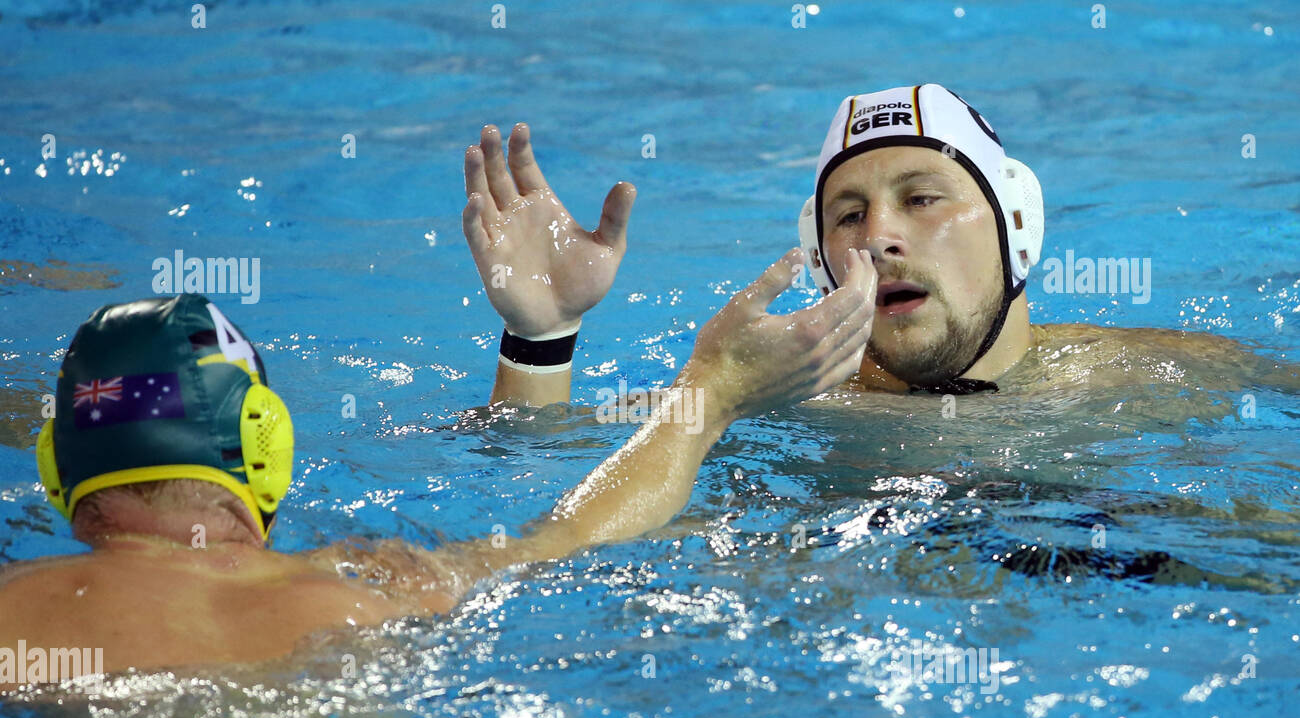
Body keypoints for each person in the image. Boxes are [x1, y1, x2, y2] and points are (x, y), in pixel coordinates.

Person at [0, 253, 873, 685]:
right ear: (264, 443)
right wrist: (712, 392)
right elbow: (573, 534)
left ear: (55, 467)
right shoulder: (370, 582)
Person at [465, 83, 1298, 408]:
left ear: (1017, 225)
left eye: (923, 198)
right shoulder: (779, 396)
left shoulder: (1162, 375)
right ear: (823, 258)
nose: (881, 237)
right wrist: (542, 338)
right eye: (849, 214)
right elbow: (540, 486)